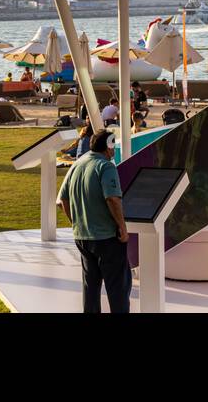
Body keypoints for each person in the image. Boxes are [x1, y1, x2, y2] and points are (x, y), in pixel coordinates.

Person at [57, 130, 130, 313]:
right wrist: (122, 227)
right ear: (108, 146)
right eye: (113, 146)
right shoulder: (106, 166)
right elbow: (112, 199)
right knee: (117, 288)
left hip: (82, 237)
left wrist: (75, 222)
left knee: (90, 287)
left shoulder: (77, 164)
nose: (114, 150)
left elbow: (62, 200)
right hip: (106, 238)